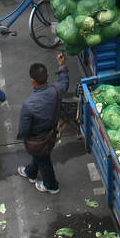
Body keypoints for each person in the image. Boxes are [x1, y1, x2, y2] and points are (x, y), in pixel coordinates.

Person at [16, 54, 69, 194]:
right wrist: (62, 64)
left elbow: (24, 128)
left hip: (38, 139)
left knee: (43, 160)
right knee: (41, 156)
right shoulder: (57, 90)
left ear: (32, 81)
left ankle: (51, 186)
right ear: (48, 75)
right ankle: (30, 172)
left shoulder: (29, 105)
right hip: (52, 134)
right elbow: (64, 81)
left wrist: (24, 138)